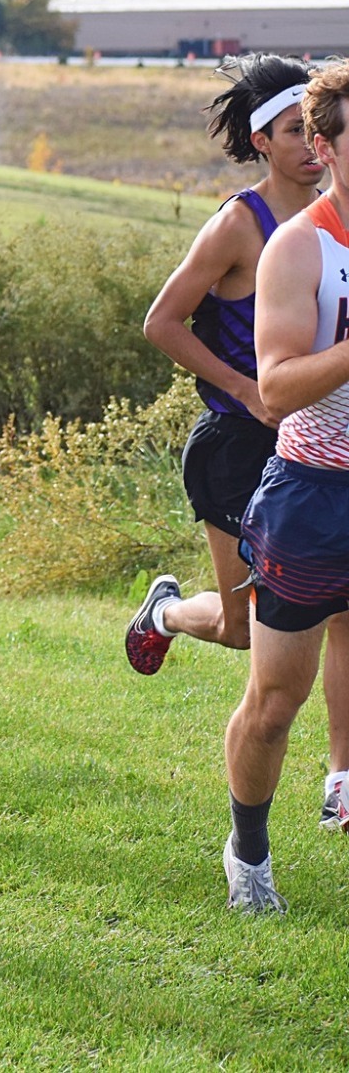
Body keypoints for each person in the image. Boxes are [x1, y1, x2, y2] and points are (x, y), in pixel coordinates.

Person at [129, 55, 326, 672]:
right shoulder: (240, 224)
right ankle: (164, 612)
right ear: (262, 140)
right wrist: (246, 390)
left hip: (310, 444)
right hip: (236, 444)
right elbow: (160, 322)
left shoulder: (334, 217)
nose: (310, 143)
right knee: (241, 629)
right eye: (293, 130)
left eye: (315, 128)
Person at [222, 63, 349, 911]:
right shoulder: (299, 246)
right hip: (313, 492)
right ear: (326, 147)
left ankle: (342, 780)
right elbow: (277, 387)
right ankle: (249, 851)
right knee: (275, 701)